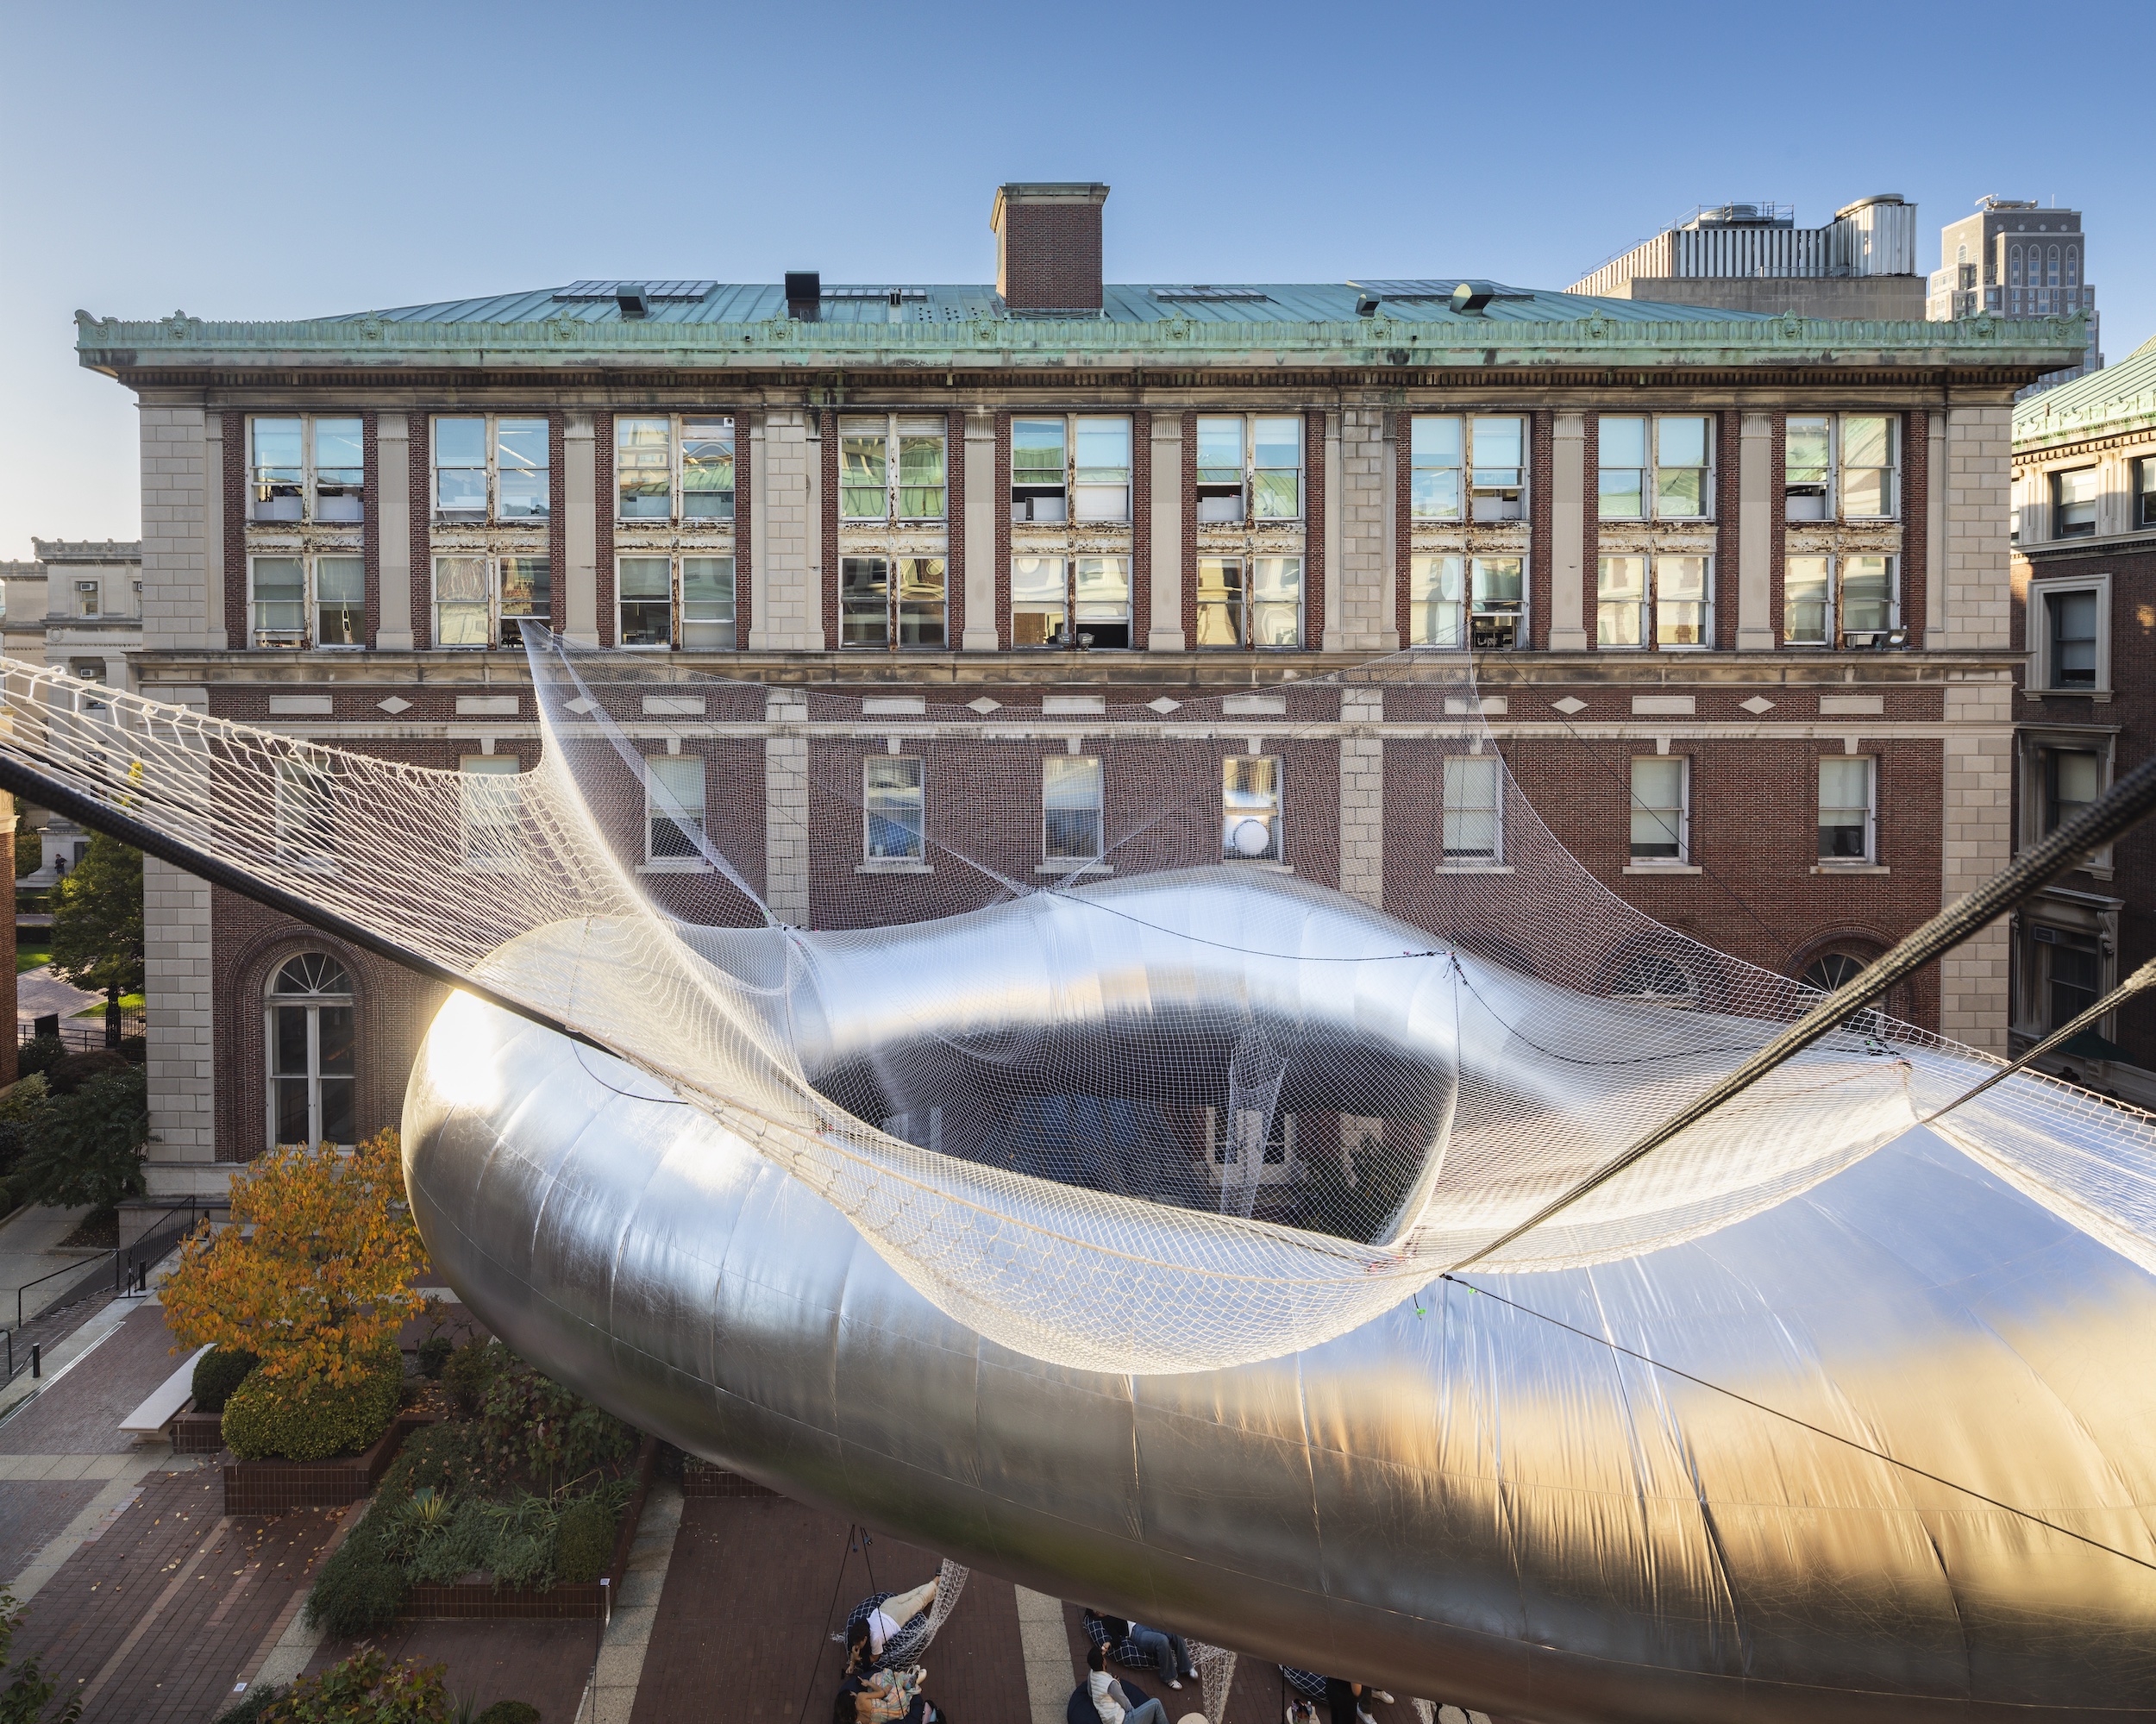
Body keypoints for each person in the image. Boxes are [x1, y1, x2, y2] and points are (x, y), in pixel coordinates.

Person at [845, 1577, 940, 1674]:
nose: (856, 1645)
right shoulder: (861, 1626)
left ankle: (938, 1578)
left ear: (865, 1639)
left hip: (897, 1616)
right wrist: (852, 1663)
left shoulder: (875, 1638)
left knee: (921, 1600)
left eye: (858, 1643)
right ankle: (934, 1586)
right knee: (912, 1594)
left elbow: (875, 1657)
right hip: (887, 1606)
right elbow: (854, 1649)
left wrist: (859, 1659)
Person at [1087, 1644, 1168, 1724]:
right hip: (1124, 1721)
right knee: (1156, 1703)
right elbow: (1128, 1707)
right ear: (1103, 1663)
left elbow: (1091, 1693)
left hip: (1109, 1720)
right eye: (1103, 1658)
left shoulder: (1092, 1674)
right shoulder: (1111, 1684)